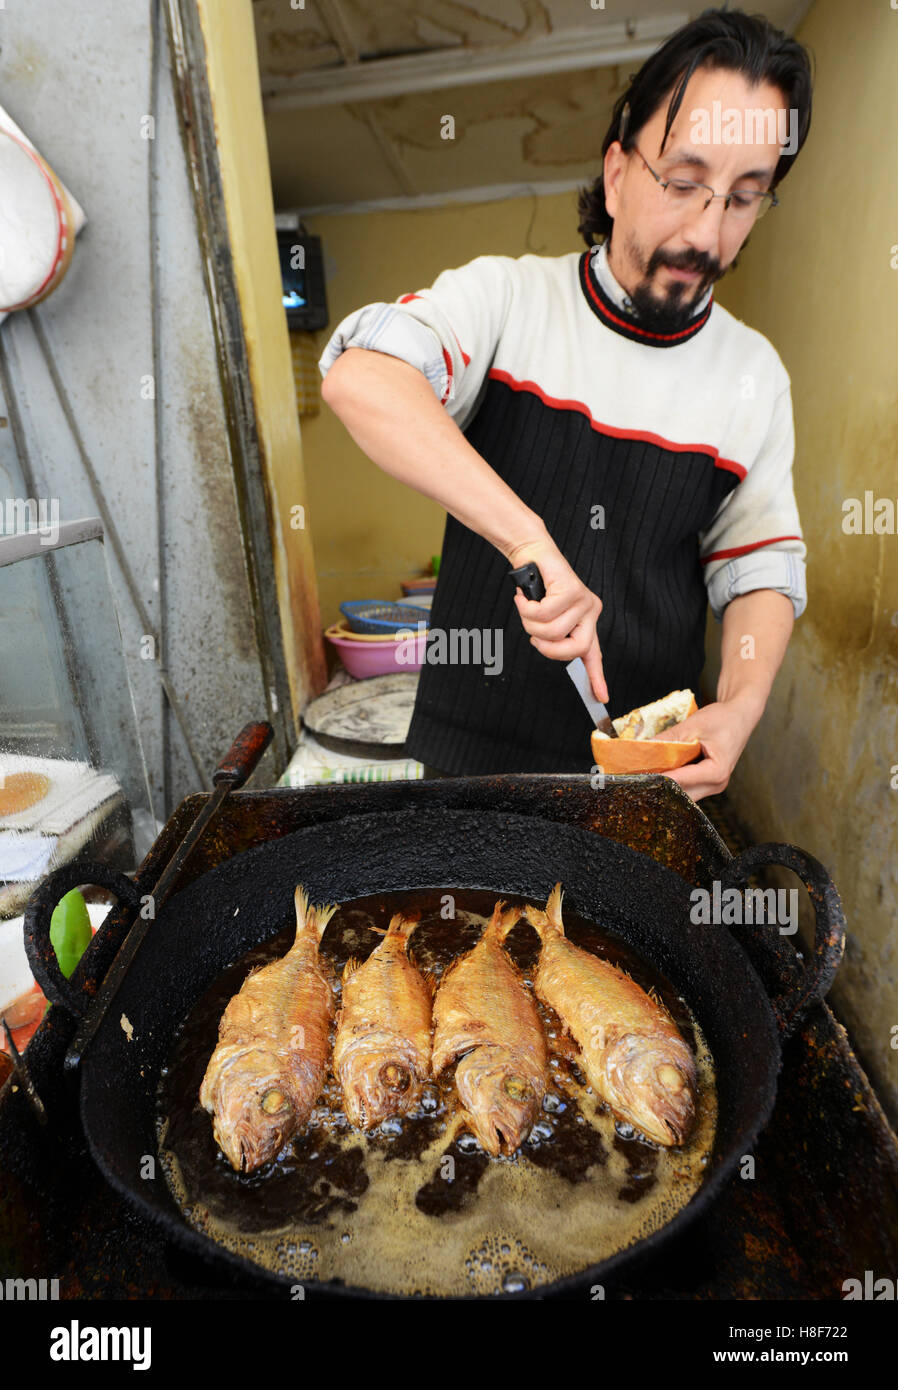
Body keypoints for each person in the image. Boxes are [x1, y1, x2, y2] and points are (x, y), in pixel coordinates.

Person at [319, 7, 812, 801]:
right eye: (683, 183)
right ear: (617, 174)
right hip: (470, 770)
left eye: (744, 197)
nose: (707, 233)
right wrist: (528, 539)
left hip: (647, 777)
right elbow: (361, 376)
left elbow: (759, 568)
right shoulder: (508, 299)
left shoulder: (754, 374)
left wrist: (742, 705)